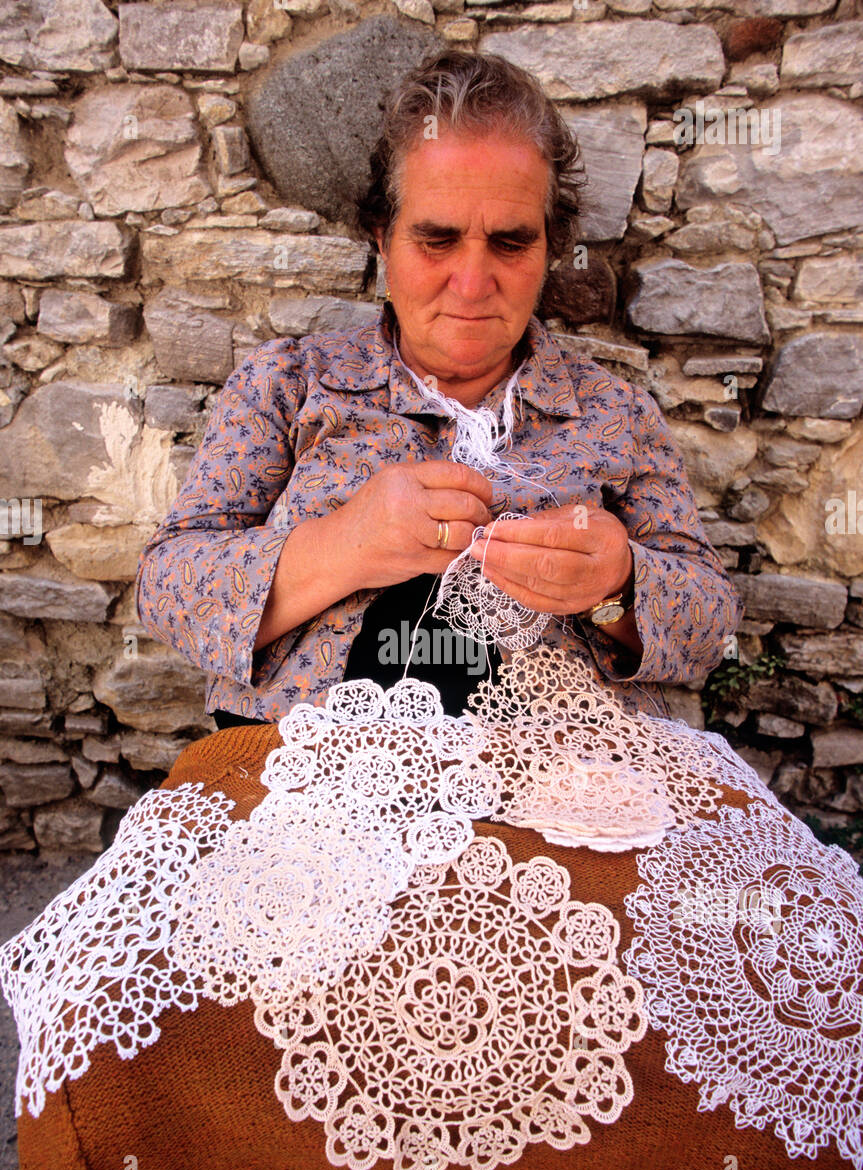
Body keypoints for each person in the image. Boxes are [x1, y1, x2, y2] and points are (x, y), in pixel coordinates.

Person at [135, 49, 743, 727]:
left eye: (510, 243)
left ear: (550, 248)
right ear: (383, 238)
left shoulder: (614, 412)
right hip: (303, 769)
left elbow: (710, 631)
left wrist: (616, 587)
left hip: (566, 775)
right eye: (436, 240)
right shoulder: (288, 385)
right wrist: (342, 545)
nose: (473, 283)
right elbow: (165, 590)